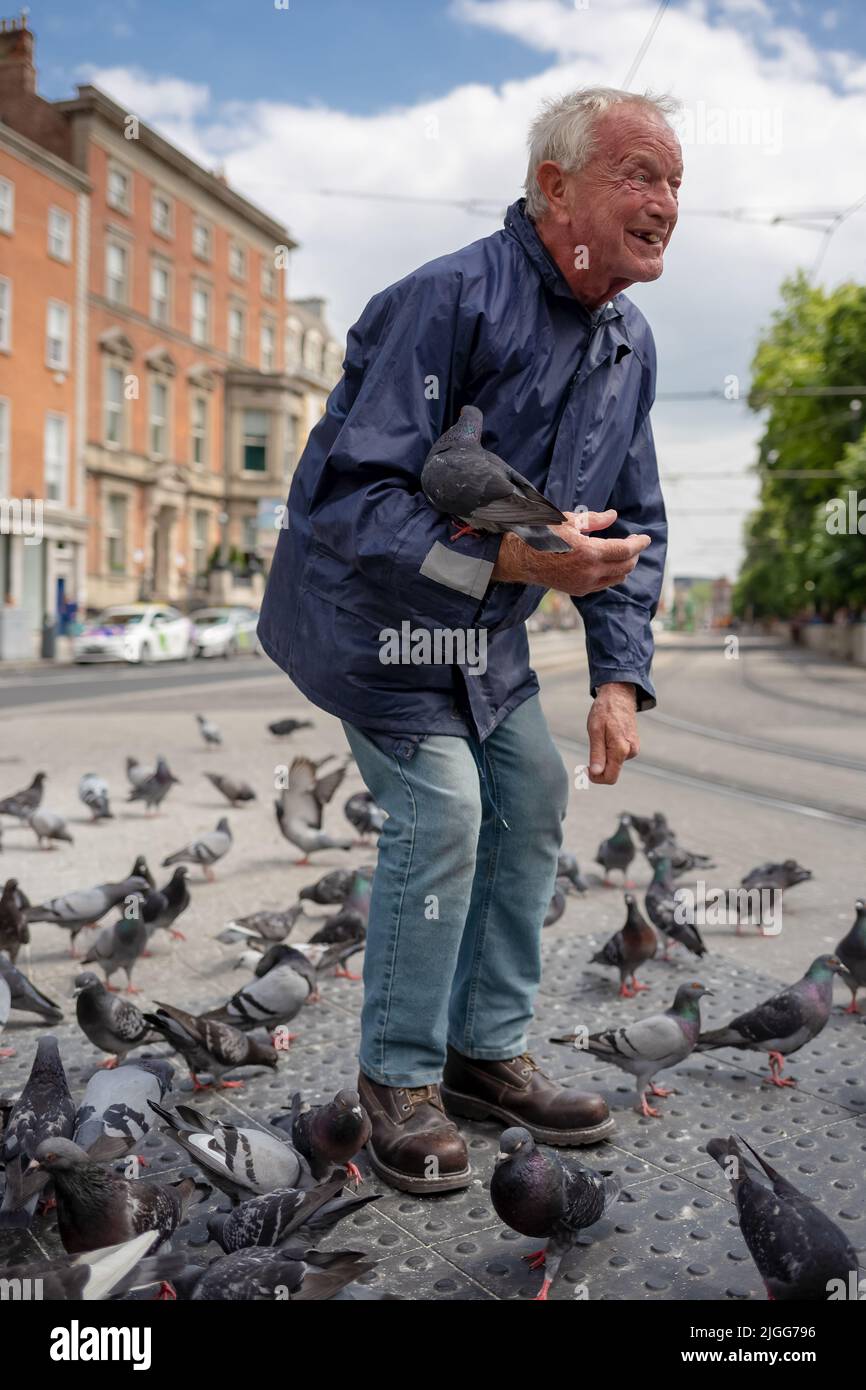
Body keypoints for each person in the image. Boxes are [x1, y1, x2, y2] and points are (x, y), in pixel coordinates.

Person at [258, 86, 678, 1193]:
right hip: (367, 620)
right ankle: (395, 1080)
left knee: (531, 797)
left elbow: (636, 522)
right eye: (638, 174)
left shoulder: (628, 345)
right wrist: (505, 563)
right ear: (554, 188)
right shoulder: (443, 299)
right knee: (440, 812)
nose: (664, 203)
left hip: (481, 640)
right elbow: (346, 502)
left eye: (674, 183)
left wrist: (618, 678)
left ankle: (483, 1055)